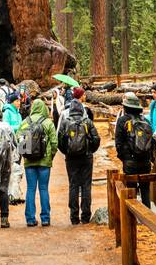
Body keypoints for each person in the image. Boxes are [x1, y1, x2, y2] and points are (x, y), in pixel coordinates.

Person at [57, 94, 100, 225]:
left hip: (71, 159)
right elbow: (96, 139)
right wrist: (90, 150)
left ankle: (74, 216)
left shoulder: (65, 121)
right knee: (86, 186)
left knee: (73, 185)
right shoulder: (87, 122)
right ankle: (86, 216)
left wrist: (67, 152)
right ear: (82, 110)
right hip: (86, 158)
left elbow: (60, 140)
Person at [19, 96, 57, 226]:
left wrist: (25, 156)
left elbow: (19, 140)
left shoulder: (24, 122)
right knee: (43, 189)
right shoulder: (48, 123)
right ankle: (45, 218)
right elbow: (54, 143)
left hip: (29, 162)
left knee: (30, 189)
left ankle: (30, 219)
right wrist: (50, 157)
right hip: (44, 162)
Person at [114, 93, 155, 208]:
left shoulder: (122, 121)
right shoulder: (145, 121)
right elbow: (151, 141)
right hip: (145, 161)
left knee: (131, 191)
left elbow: (118, 143)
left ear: (126, 107)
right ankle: (147, 217)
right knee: (145, 191)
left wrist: (124, 158)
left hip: (130, 162)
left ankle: (132, 220)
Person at [3, 93, 25, 203]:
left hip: (19, 144)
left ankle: (16, 193)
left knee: (17, 169)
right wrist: (19, 127)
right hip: (10, 144)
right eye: (16, 101)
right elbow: (5, 127)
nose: (19, 103)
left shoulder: (18, 114)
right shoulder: (7, 112)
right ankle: (9, 195)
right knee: (10, 169)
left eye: (19, 101)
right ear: (12, 102)